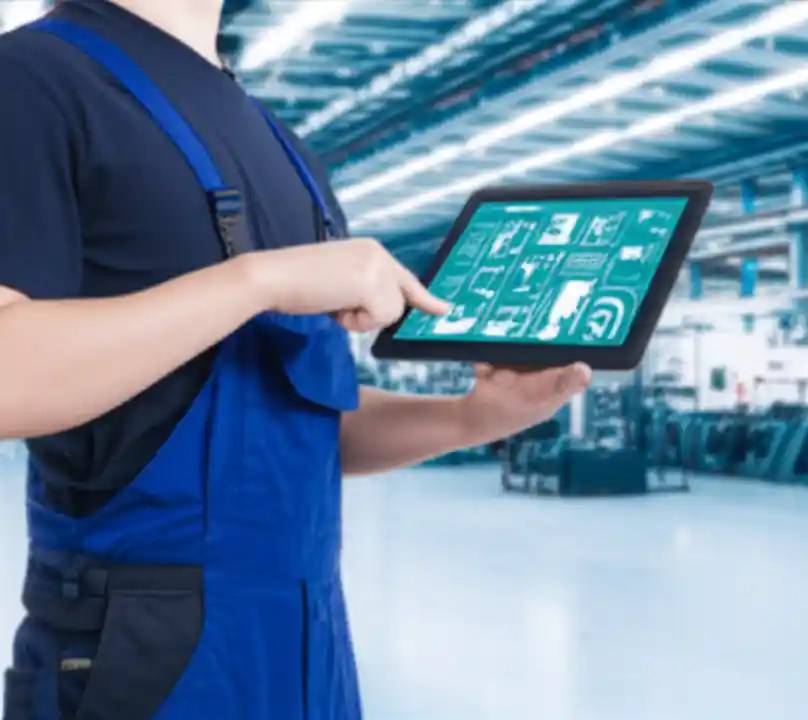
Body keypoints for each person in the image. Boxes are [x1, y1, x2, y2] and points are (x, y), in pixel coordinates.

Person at [0, 1, 590, 718]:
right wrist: (261, 281)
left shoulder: (281, 145)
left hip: (310, 645)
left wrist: (471, 417)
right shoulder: (33, 80)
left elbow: (302, 421)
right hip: (146, 655)